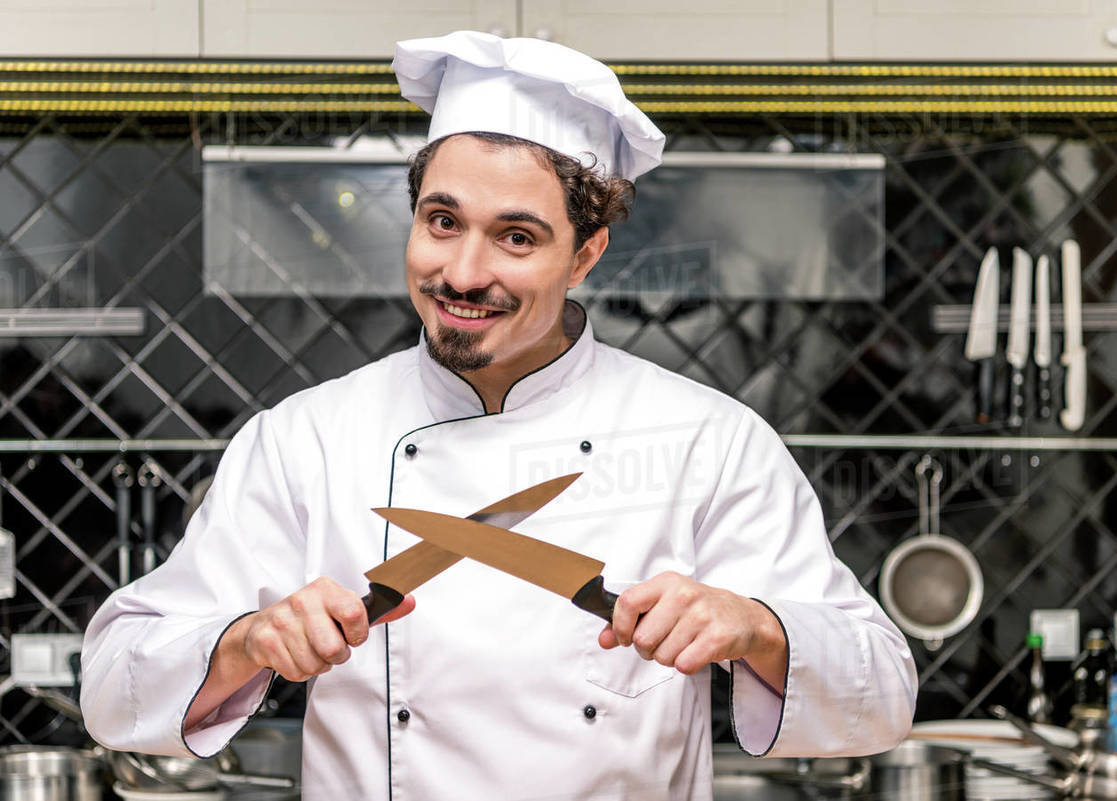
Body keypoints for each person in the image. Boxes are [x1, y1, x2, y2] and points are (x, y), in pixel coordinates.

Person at [81, 30, 917, 800]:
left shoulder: (709, 441)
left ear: (585, 254)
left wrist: (755, 626)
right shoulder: (304, 440)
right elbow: (114, 691)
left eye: (516, 237)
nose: (464, 271)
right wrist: (248, 643)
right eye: (442, 222)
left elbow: (881, 694)